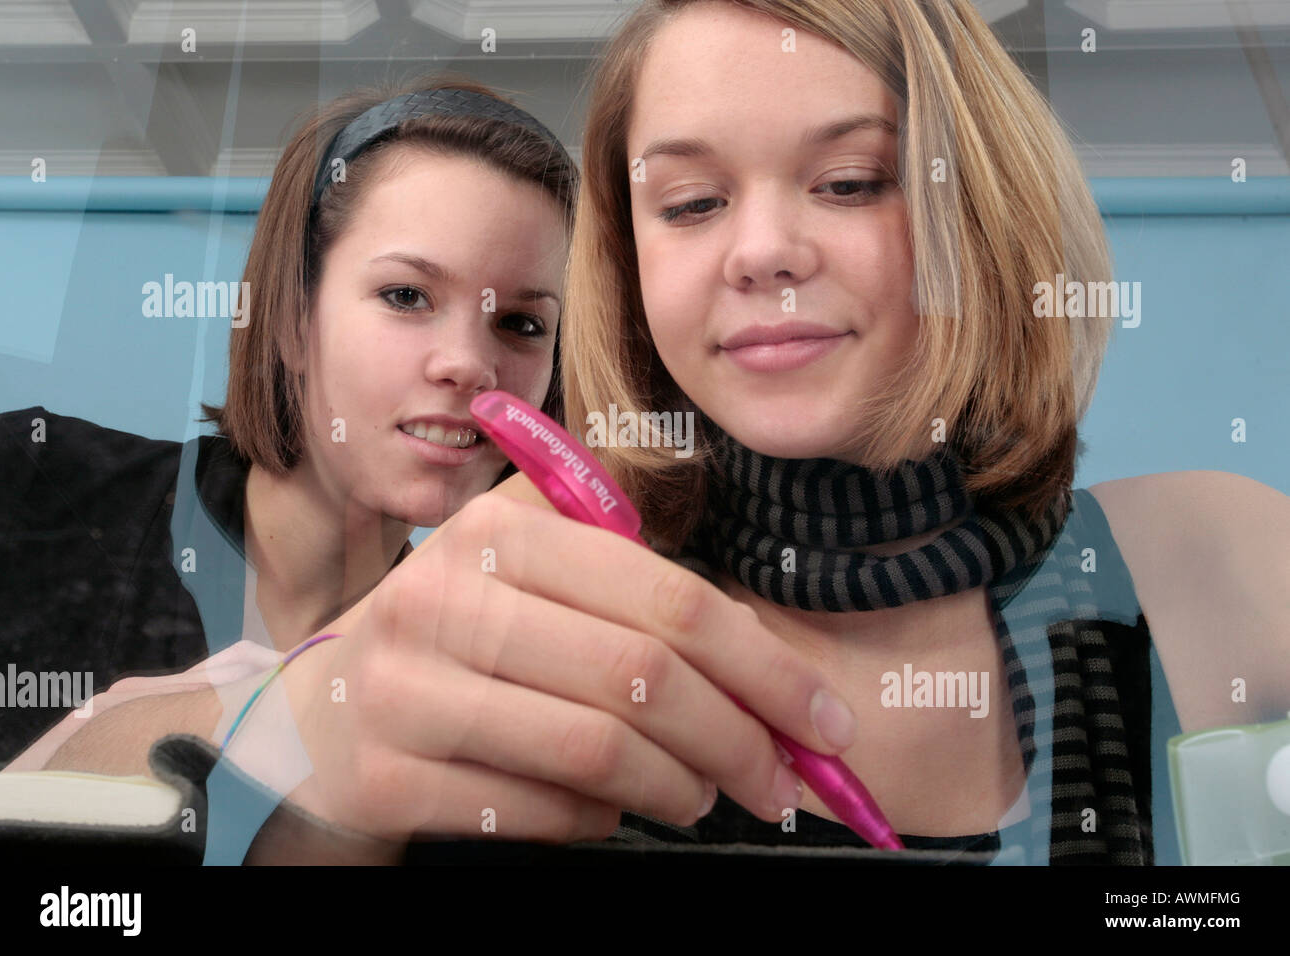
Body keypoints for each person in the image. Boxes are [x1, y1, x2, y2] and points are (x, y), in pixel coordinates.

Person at [535, 0, 1290, 864]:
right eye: (693, 202)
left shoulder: (1226, 559)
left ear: (982, 212)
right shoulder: (563, 645)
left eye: (849, 182)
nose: (761, 252)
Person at [0, 75, 583, 860]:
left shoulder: (491, 691)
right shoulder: (27, 485)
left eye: (521, 323)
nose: (470, 365)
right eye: (406, 295)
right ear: (291, 323)